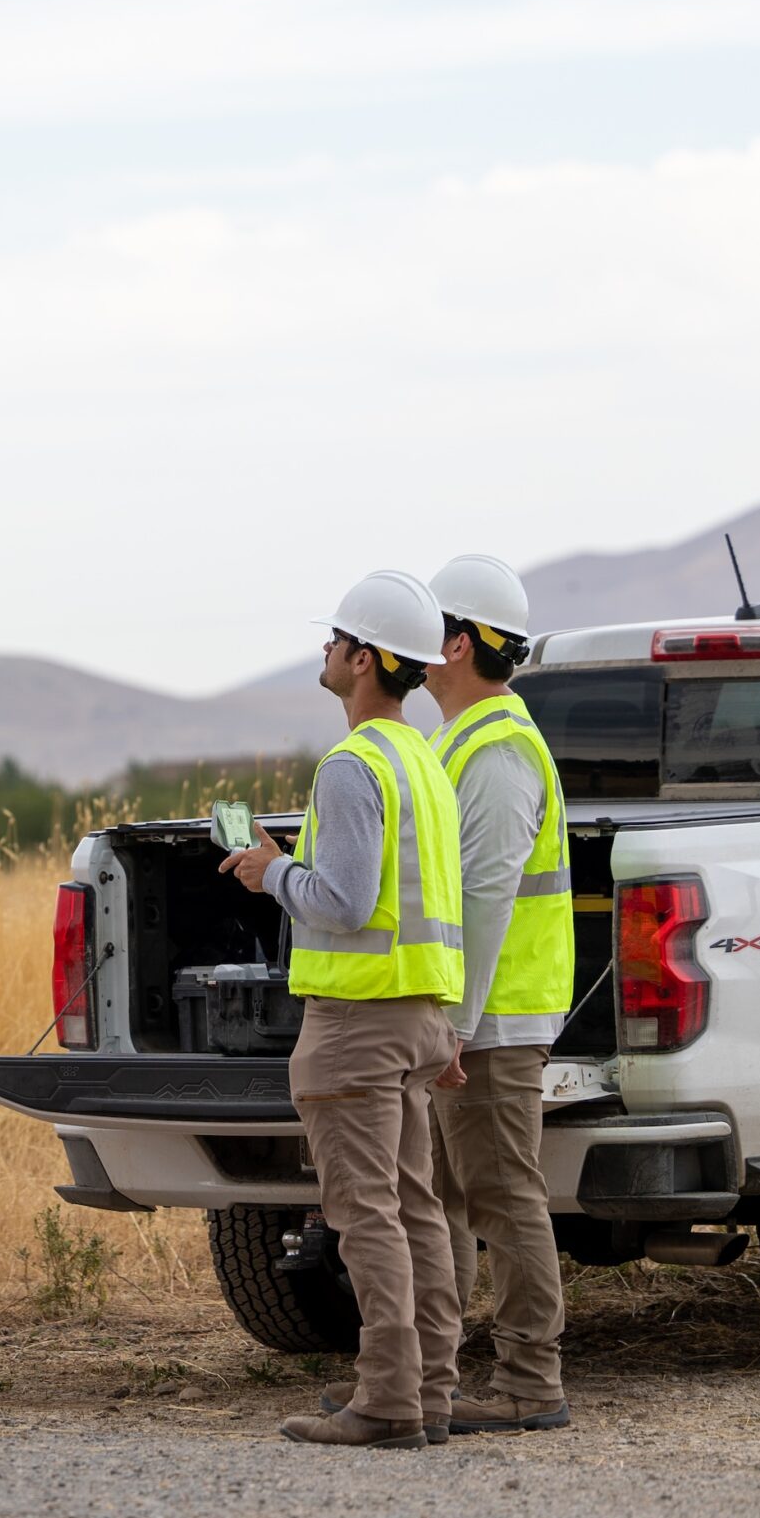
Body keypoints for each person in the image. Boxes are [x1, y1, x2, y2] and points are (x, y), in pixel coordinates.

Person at [220, 571, 465, 1449]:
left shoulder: (354, 765)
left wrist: (270, 874)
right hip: (416, 1016)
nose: (323, 649)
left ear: (364, 660)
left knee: (366, 1213)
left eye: (334, 639)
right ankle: (430, 1390)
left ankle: (390, 1399)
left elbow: (349, 901)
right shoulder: (423, 765)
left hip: (358, 1022)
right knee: (414, 1207)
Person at [421, 552, 575, 1433]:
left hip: (490, 1022)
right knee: (451, 1197)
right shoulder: (466, 742)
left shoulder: (499, 750)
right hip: (473, 1019)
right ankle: (431, 1379)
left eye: (426, 632)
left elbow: (485, 899)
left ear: (461, 641)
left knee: (503, 1195)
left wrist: (456, 1025)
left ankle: (529, 1381)